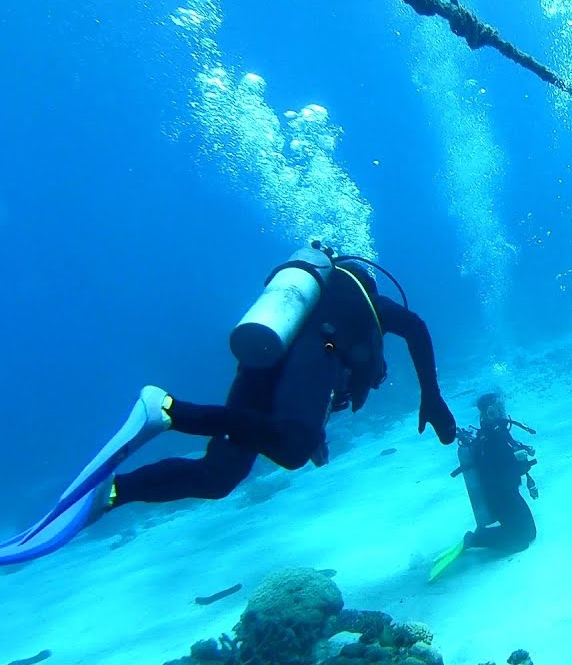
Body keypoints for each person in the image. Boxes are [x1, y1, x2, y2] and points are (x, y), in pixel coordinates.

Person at [0, 243, 458, 565]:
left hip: (261, 361)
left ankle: (114, 492)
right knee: (293, 449)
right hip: (313, 352)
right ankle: (169, 410)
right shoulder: (363, 301)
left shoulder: (306, 306)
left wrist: (309, 429)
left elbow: (303, 396)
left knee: (220, 476)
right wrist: (432, 398)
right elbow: (416, 327)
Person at [430, 392, 538, 581]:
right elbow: (497, 473)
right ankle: (475, 538)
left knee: (529, 533)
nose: (502, 412)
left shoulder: (495, 434)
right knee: (521, 540)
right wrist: (520, 467)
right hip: (501, 497)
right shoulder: (492, 437)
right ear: (490, 411)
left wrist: (520, 465)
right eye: (498, 408)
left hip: (507, 494)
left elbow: (503, 465)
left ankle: (481, 536)